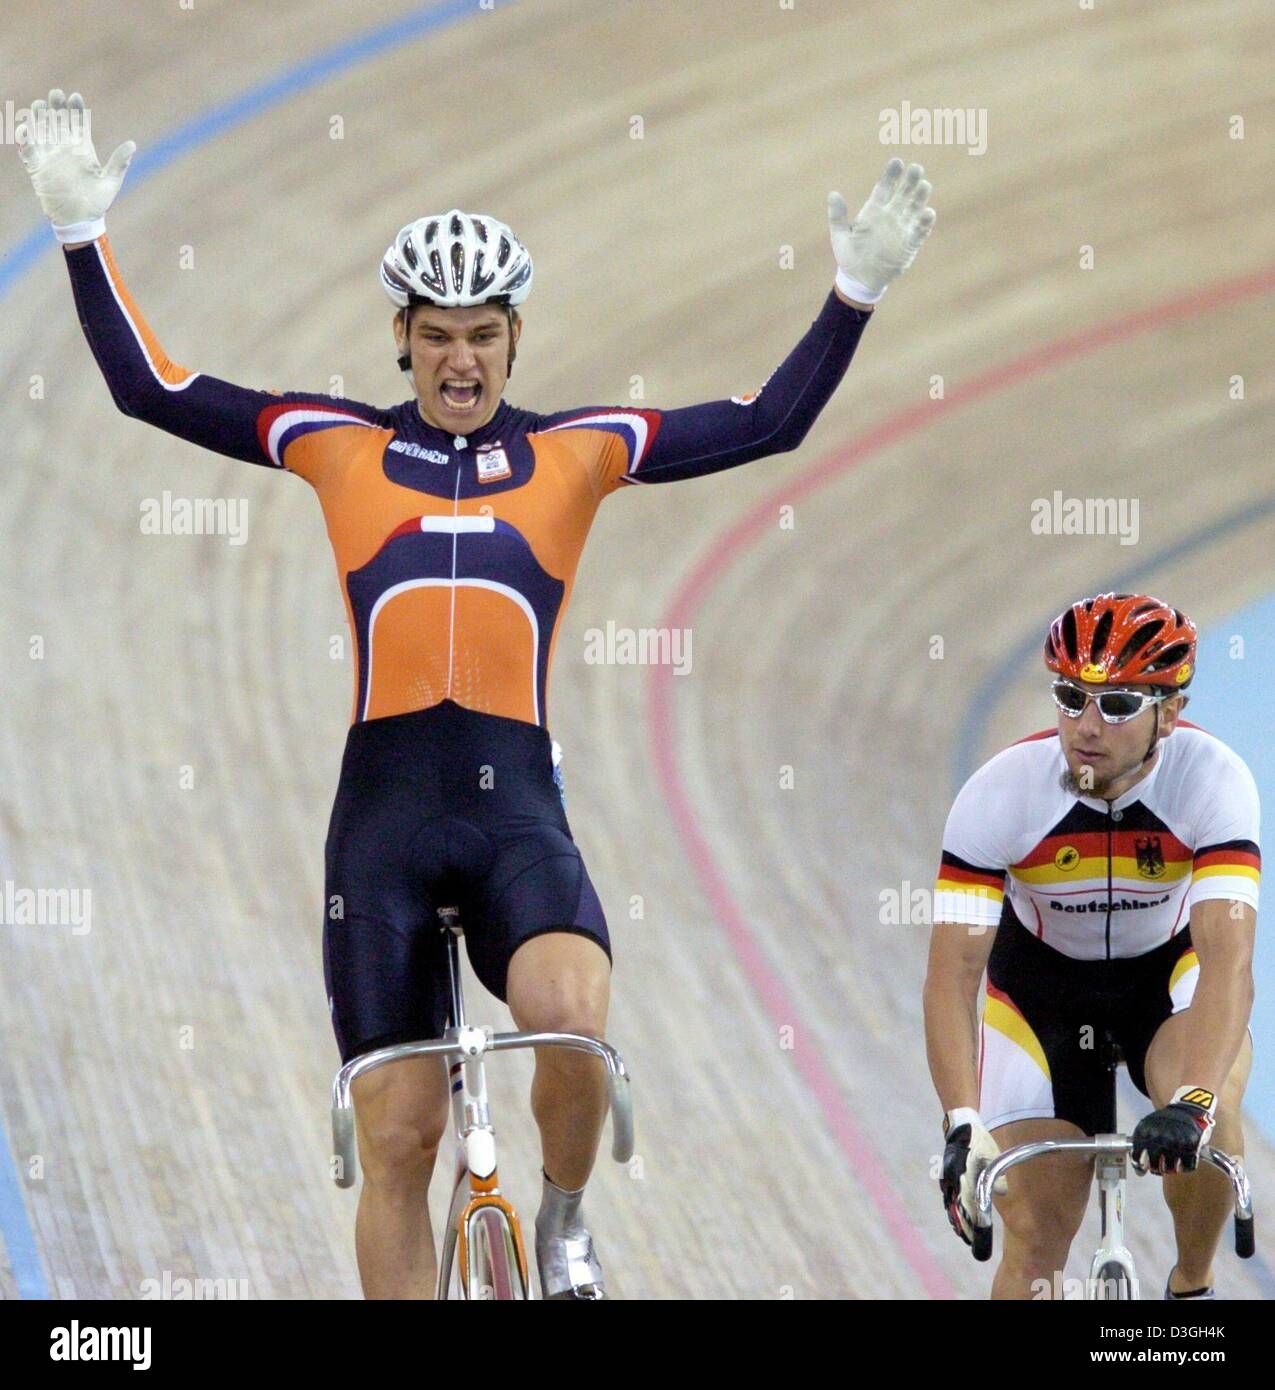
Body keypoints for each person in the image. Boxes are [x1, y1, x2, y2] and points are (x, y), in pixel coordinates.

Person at [19, 87, 935, 1299]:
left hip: (514, 816)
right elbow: (154, 389)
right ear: (403, 337)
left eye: (484, 335)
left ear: (515, 339)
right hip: (386, 822)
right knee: (398, 1142)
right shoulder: (330, 439)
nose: (461, 358)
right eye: (438, 334)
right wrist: (81, 239)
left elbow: (768, 422)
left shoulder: (582, 451)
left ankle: (560, 1222)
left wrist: (853, 295)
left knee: (572, 1015)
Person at [925, 593, 1259, 1300]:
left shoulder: (1213, 780)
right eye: (1071, 697)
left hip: (1165, 979)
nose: (1084, 727)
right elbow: (953, 975)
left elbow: (1228, 964)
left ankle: (1189, 1288)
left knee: (1210, 1121)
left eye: (1115, 706)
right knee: (1038, 1236)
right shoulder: (999, 794)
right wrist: (959, 1121)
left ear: (1167, 713)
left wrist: (1193, 1101)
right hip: (1040, 992)